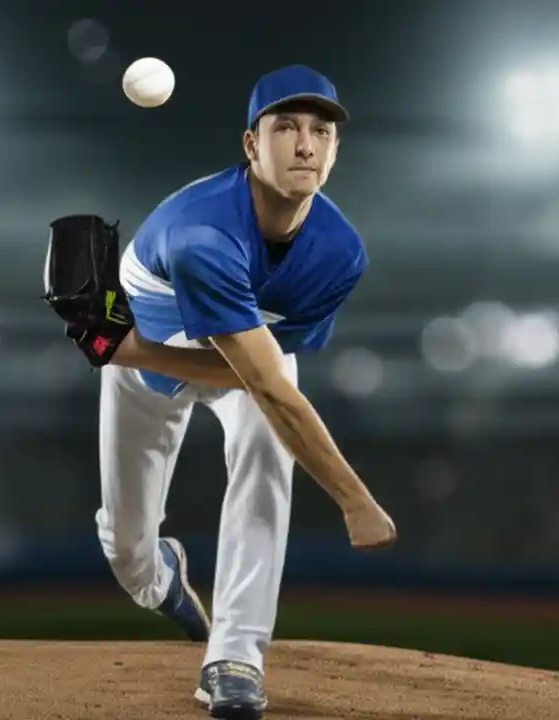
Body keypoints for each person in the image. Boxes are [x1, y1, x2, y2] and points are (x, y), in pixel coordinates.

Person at [94, 64, 397, 720]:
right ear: (251, 145)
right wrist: (356, 501)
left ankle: (236, 654)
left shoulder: (340, 253)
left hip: (194, 357)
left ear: (337, 151)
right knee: (125, 549)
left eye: (321, 130)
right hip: (149, 376)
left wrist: (116, 344)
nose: (306, 144)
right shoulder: (204, 232)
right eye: (285, 126)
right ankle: (160, 579)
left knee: (270, 447)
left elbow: (266, 378)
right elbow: (263, 377)